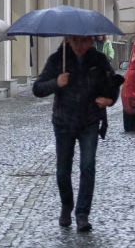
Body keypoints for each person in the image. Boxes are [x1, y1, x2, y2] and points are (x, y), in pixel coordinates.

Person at [32, 35, 119, 232]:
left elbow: (113, 83)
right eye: (76, 41)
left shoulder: (98, 60)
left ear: (91, 41)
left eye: (84, 41)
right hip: (65, 121)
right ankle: (66, 205)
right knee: (63, 170)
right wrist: (56, 82)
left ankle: (82, 214)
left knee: (87, 167)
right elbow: (37, 88)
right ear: (69, 40)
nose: (80, 46)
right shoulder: (58, 59)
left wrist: (110, 99)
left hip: (90, 120)